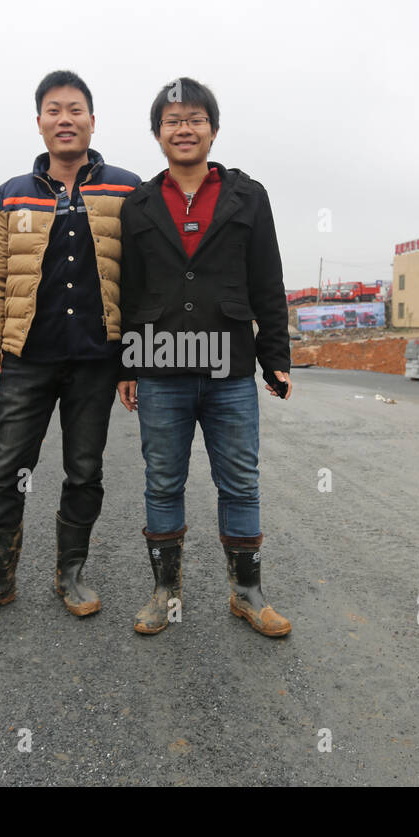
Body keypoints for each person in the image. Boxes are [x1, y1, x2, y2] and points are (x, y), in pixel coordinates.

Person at [0, 70, 139, 624]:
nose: (65, 120)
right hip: (26, 358)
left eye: (75, 110)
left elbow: (143, 279)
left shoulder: (127, 188)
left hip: (97, 361)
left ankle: (70, 574)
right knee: (7, 468)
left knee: (85, 469)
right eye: (54, 110)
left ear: (92, 121)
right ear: (40, 123)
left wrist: (135, 360)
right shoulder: (12, 195)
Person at [116, 77, 293, 638]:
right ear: (157, 134)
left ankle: (247, 593)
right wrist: (126, 363)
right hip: (160, 366)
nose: (184, 128)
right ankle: (165, 593)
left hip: (230, 368)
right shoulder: (139, 204)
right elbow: (128, 290)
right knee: (162, 480)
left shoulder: (248, 196)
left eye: (195, 118)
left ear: (213, 129)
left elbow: (268, 280)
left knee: (240, 480)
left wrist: (275, 356)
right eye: (172, 121)